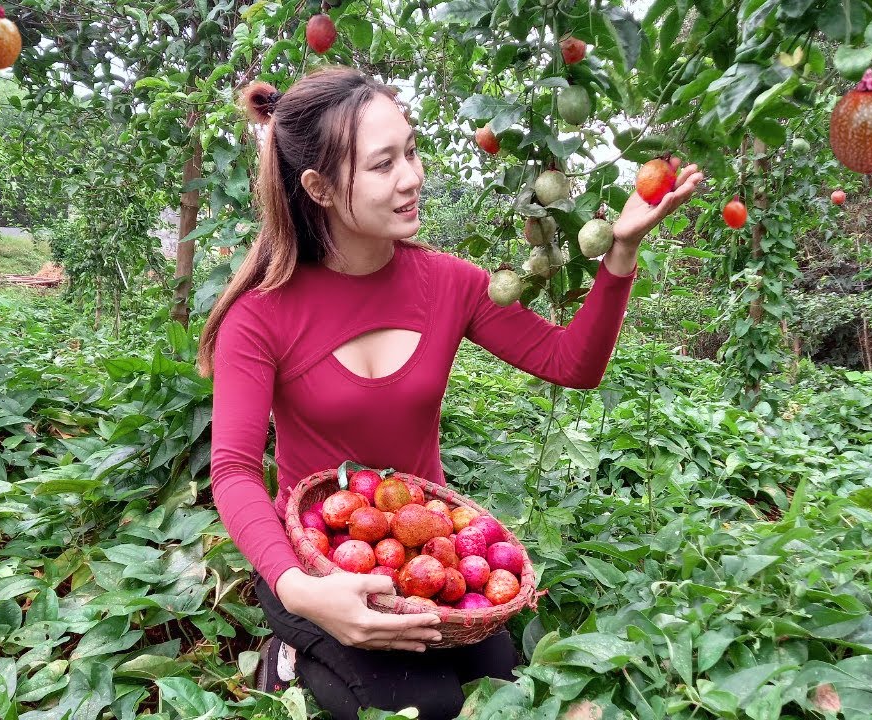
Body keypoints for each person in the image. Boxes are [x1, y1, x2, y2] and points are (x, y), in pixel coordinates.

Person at [197, 65, 702, 720]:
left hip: (429, 551)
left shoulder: (448, 283)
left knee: (507, 688)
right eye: (383, 165)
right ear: (318, 187)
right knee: (426, 707)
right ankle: (288, 653)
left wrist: (622, 251)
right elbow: (234, 471)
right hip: (319, 563)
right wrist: (298, 590)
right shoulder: (263, 315)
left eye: (410, 150)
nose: (411, 178)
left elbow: (570, 362)